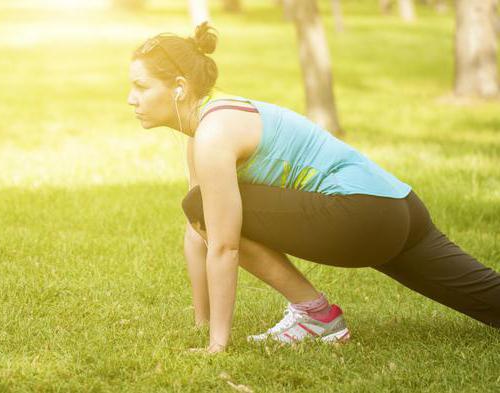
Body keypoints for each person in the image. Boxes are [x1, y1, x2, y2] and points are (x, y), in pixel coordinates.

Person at [127, 22, 500, 354]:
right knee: (488, 297)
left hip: (362, 214)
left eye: (141, 87)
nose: (131, 99)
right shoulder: (209, 129)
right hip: (399, 208)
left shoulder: (213, 135)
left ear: (179, 87)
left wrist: (217, 346)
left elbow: (223, 243)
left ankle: (316, 315)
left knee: (201, 206)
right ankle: (313, 315)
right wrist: (201, 323)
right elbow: (199, 233)